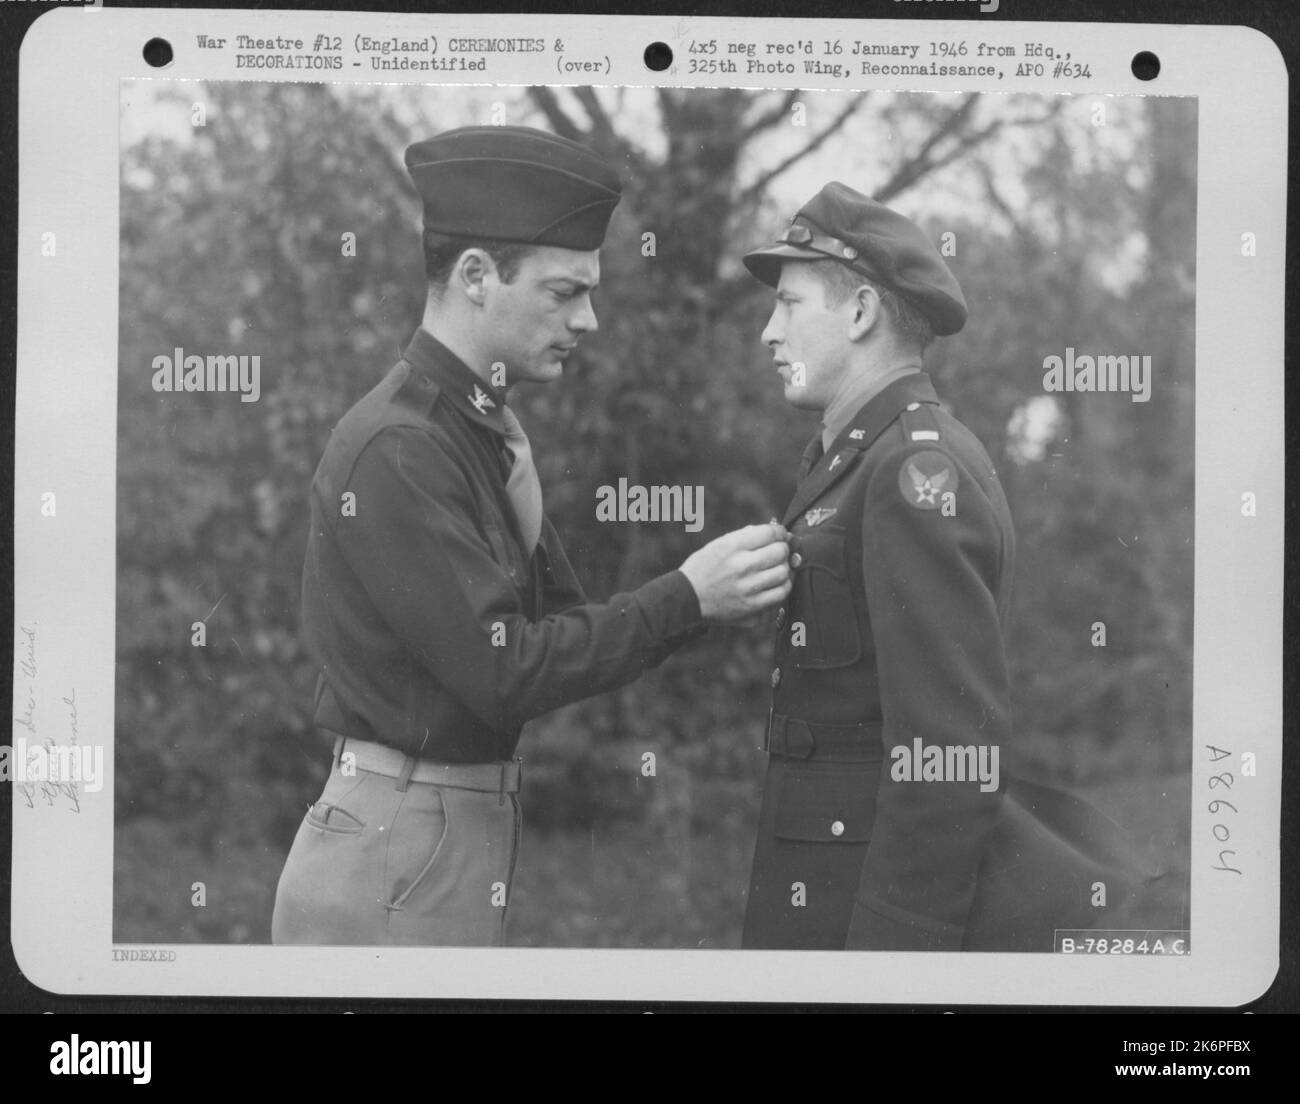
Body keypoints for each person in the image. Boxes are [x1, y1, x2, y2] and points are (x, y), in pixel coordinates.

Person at [271, 125, 791, 946]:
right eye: (563, 292)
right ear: (476, 276)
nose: (588, 319)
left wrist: (699, 600)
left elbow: (565, 630)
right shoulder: (403, 447)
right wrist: (691, 595)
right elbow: (507, 671)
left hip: (439, 831)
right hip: (399, 846)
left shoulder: (481, 433)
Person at [738, 181, 1016, 951]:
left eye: (789, 305)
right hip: (817, 869)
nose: (769, 332)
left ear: (860, 313)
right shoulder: (860, 457)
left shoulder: (909, 472)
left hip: (856, 904)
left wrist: (896, 953)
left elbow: (949, 748)